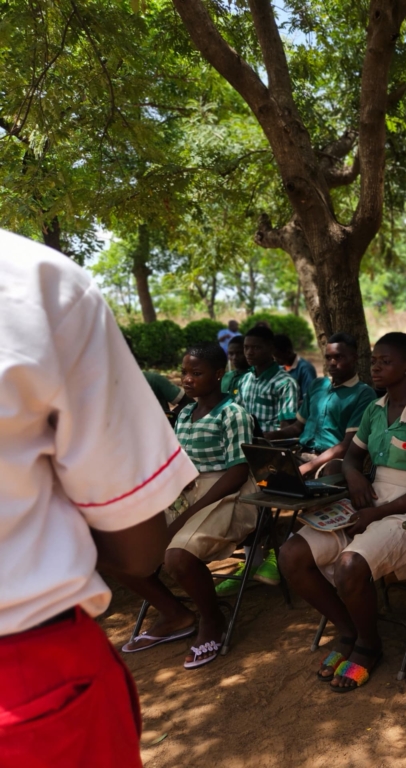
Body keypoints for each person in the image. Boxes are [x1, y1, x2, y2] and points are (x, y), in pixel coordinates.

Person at [0, 229, 198, 767]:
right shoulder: (35, 283)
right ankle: (181, 615)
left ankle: (189, 617)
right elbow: (137, 547)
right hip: (32, 683)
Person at [278, 332, 406, 692]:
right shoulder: (375, 409)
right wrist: (354, 476)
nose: (376, 367)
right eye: (374, 361)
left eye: (386, 362)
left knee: (349, 565)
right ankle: (348, 630)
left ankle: (369, 645)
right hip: (370, 499)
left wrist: (380, 512)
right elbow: (352, 456)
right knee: (292, 555)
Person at [118, 344, 259, 668]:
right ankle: (175, 614)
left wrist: (189, 514)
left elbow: (238, 472)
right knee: (117, 550)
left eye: (196, 373)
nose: (187, 379)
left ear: (218, 374)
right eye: (184, 372)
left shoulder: (233, 414)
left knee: (178, 556)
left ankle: (212, 619)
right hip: (186, 491)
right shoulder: (184, 414)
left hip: (226, 494)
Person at [264, 333, 376, 477]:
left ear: (354, 358)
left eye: (339, 357)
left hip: (330, 460)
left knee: (332, 469)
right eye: (328, 358)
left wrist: (307, 468)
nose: (332, 362)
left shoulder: (363, 393)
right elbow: (297, 427)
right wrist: (269, 436)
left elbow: (347, 444)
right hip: (302, 452)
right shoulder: (318, 384)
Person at [236, 325, 299, 432]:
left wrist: (264, 438)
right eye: (246, 347)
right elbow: (238, 415)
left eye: (256, 348)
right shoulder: (245, 380)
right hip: (245, 439)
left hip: (270, 441)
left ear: (271, 349)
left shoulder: (286, 383)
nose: (249, 352)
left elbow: (287, 427)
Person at [273, 333, 318, 404]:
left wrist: (289, 404)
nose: (275, 360)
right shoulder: (279, 367)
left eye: (277, 357)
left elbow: (310, 399)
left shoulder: (305, 369)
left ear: (288, 352)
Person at [221, 335, 250, 400]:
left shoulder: (252, 377)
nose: (234, 357)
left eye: (239, 353)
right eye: (231, 354)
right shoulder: (225, 376)